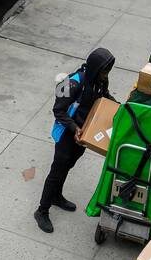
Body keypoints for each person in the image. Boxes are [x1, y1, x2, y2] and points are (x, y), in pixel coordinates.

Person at [34, 47, 115, 235]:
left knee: (68, 166)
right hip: (67, 134)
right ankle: (42, 210)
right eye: (104, 70)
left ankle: (57, 196)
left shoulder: (99, 80)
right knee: (56, 171)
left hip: (83, 135)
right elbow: (58, 110)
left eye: (108, 70)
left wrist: (117, 106)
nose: (106, 74)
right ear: (96, 67)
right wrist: (74, 128)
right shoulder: (73, 82)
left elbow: (104, 97)